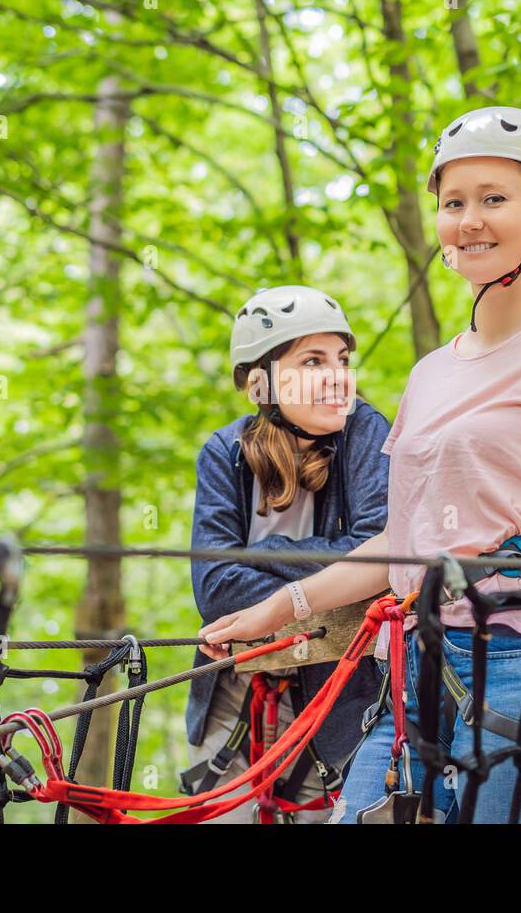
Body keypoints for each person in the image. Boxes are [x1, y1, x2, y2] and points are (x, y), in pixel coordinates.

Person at [197, 106, 521, 824]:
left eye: (494, 199)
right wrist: (280, 607)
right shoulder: (428, 375)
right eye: (454, 203)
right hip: (411, 672)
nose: (470, 220)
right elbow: (401, 545)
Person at [183, 285, 391, 823]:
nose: (337, 376)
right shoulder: (224, 454)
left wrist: (267, 551)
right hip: (235, 690)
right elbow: (216, 590)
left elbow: (379, 553)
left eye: (342, 359)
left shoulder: (364, 432)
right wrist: (333, 574)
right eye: (313, 361)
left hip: (337, 691)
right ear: (261, 382)